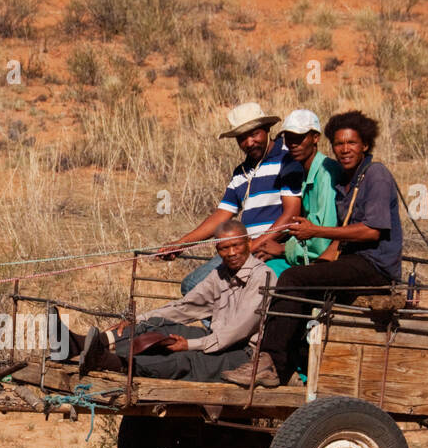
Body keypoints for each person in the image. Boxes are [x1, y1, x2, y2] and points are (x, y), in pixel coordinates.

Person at [221, 110, 404, 388]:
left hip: (374, 266)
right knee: (300, 283)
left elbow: (371, 230)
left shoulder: (375, 174)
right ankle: (290, 367)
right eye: (339, 144)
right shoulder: (347, 178)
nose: (344, 150)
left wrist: (315, 232)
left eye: (351, 143)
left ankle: (269, 363)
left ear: (365, 145)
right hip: (353, 260)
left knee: (294, 279)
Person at [64, 219, 275, 382]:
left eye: (236, 246)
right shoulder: (221, 273)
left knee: (186, 359)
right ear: (217, 250)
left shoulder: (262, 277)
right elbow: (185, 307)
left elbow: (235, 332)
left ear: (248, 243)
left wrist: (190, 345)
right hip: (216, 339)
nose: (231, 253)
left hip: (243, 354)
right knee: (159, 328)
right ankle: (78, 345)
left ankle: (108, 361)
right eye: (224, 248)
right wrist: (140, 319)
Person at [157, 102, 304, 296]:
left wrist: (256, 244)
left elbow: (291, 214)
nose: (249, 142)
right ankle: (224, 326)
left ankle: (227, 326)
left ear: (268, 129)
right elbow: (221, 215)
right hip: (244, 247)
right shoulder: (241, 172)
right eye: (242, 138)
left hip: (269, 246)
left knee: (203, 289)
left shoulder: (287, 160)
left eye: (254, 134)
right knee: (193, 286)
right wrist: (183, 243)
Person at [248, 109, 342, 275]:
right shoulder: (304, 172)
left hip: (319, 260)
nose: (293, 144)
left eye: (299, 138)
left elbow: (322, 239)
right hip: (302, 252)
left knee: (261, 275)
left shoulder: (326, 174)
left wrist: (284, 249)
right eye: (289, 138)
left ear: (315, 138)